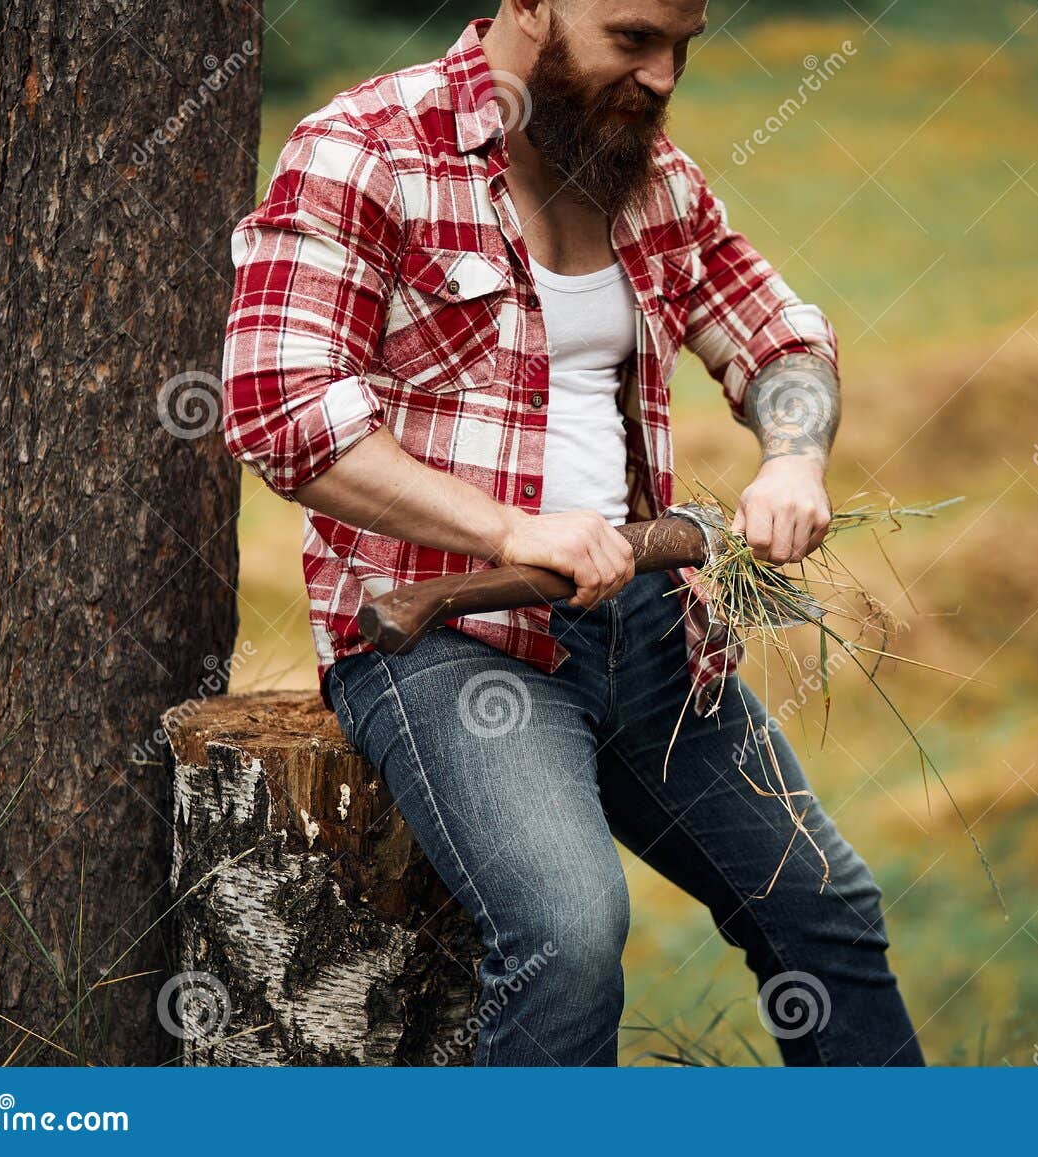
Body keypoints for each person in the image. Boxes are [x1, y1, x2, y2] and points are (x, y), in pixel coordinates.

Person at [220, 0, 925, 1067]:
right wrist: (513, 527)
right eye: (634, 39)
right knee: (569, 934)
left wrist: (793, 454)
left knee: (822, 903)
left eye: (681, 48)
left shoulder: (644, 172)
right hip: (447, 644)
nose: (663, 77)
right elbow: (279, 409)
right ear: (529, 6)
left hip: (644, 631)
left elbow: (778, 335)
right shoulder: (364, 149)